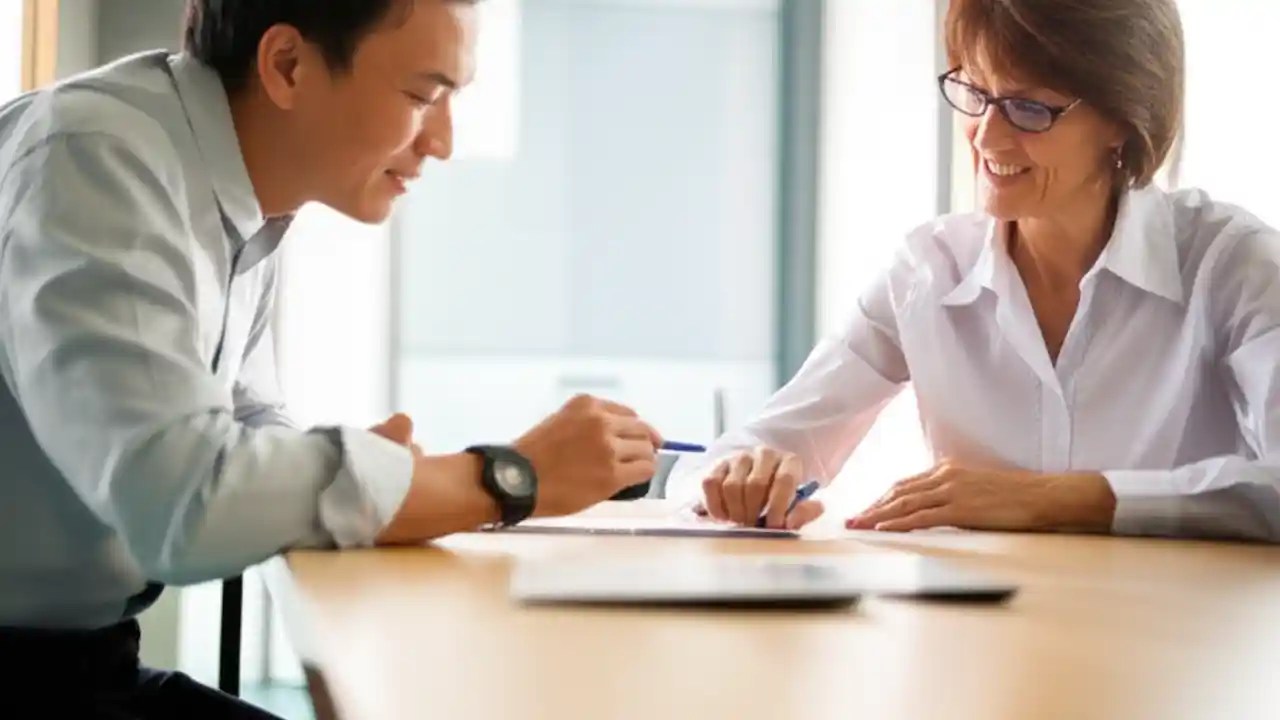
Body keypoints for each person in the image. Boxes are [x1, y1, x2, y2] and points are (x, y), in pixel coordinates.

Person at [0, 0, 662, 715]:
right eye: (422, 95)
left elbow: (250, 425)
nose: (441, 141)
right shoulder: (97, 155)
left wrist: (394, 487)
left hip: (85, 665)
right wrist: (505, 478)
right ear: (287, 65)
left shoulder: (240, 195)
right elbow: (181, 500)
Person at [669, 0, 1280, 542]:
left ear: (1123, 119)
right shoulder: (927, 271)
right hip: (982, 641)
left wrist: (1059, 499)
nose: (987, 136)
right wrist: (738, 480)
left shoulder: (1230, 264)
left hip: (1183, 646)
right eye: (975, 93)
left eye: (1028, 109)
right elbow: (738, 456)